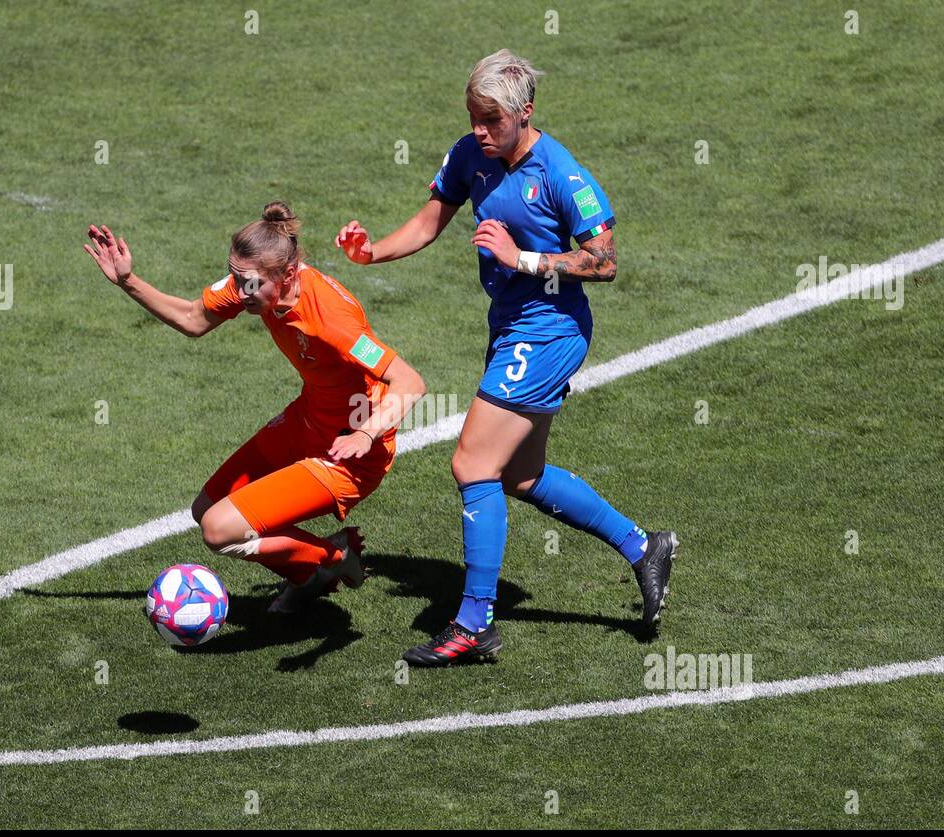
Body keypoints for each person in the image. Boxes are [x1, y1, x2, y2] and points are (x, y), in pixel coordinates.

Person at [335, 50, 678, 666]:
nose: (478, 130)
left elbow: (604, 260)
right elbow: (429, 220)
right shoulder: (474, 155)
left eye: (491, 119)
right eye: (472, 117)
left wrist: (522, 259)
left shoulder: (560, 172)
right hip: (511, 328)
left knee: (471, 464)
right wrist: (370, 254)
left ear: (525, 112)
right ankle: (643, 546)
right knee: (518, 475)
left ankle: (473, 625)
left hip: (548, 331)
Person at [85, 202, 426, 613]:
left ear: (287, 275)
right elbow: (194, 319)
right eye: (235, 277)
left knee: (218, 531)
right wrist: (128, 281)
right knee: (206, 508)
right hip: (308, 418)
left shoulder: (331, 320)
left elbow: (410, 382)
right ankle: (309, 576)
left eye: (249, 283)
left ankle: (335, 558)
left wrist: (365, 433)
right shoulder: (252, 283)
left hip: (350, 453)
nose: (239, 290)